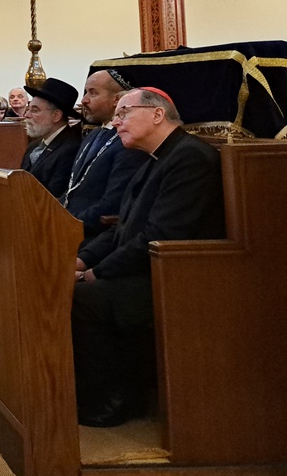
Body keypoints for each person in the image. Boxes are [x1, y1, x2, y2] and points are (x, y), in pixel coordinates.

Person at [72, 87, 225, 427]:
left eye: (124, 113)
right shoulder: (155, 158)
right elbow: (121, 228)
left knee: (81, 299)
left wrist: (95, 273)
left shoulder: (189, 158)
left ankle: (116, 398)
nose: (116, 122)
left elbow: (159, 237)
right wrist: (81, 261)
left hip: (181, 277)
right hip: (148, 267)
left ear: (157, 114)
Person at [63, 70, 148, 243]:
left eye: (92, 92)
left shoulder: (128, 143)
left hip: (95, 238)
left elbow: (112, 205)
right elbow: (73, 190)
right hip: (70, 229)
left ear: (117, 100)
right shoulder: (94, 135)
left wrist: (64, 222)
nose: (84, 100)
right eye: (85, 92)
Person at [19, 78, 82, 199]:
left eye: (35, 110)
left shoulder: (71, 148)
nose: (27, 115)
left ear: (56, 116)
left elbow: (54, 197)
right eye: (28, 109)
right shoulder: (34, 145)